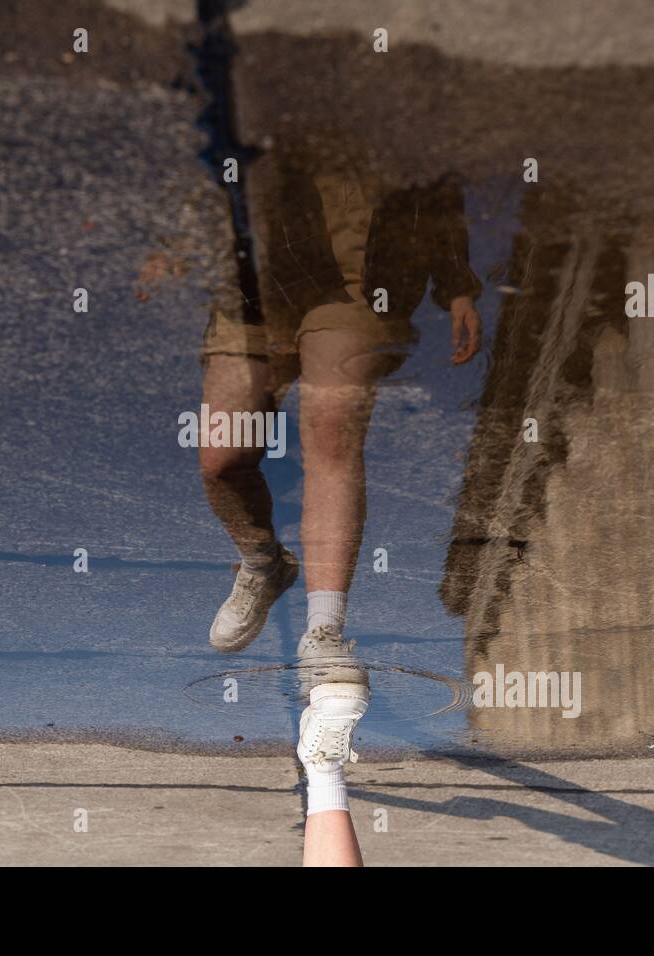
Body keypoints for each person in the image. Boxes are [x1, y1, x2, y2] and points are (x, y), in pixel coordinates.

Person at [198, 153, 482, 865]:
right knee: (222, 456)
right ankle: (265, 562)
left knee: (330, 430)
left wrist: (456, 283)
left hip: (357, 271)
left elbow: (430, 162)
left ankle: (324, 635)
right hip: (261, 264)